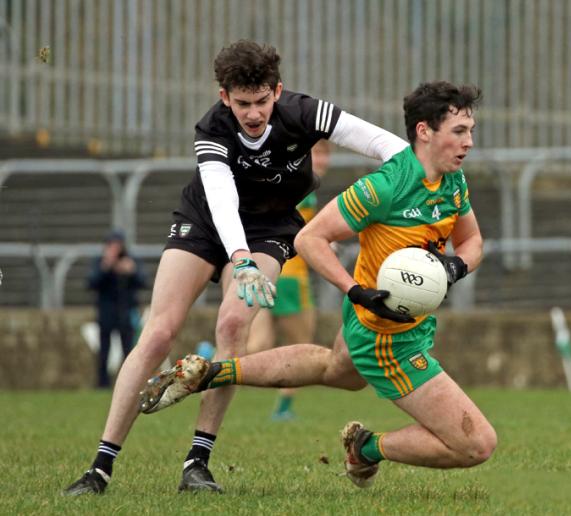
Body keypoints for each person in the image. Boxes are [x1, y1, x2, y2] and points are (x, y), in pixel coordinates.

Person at [64, 40, 408, 495]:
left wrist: (414, 180)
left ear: (277, 91)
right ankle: (100, 468)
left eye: (262, 101)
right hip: (206, 221)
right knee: (160, 331)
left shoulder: (305, 113)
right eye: (242, 102)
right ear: (224, 95)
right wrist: (238, 258)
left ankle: (197, 463)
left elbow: (387, 145)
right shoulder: (212, 127)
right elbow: (222, 196)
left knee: (232, 324)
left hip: (269, 228)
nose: (253, 113)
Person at [139, 81, 496, 488]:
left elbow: (473, 241)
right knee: (477, 444)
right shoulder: (386, 186)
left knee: (337, 370)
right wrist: (354, 290)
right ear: (424, 131)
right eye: (459, 131)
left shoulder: (453, 182)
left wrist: (453, 268)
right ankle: (367, 447)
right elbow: (309, 238)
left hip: (395, 324)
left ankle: (211, 372)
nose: (468, 142)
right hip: (385, 337)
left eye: (470, 131)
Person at [246, 139, 333, 421]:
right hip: (292, 279)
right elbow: (303, 229)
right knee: (302, 346)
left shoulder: (287, 180)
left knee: (257, 345)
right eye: (316, 154)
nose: (321, 161)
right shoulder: (305, 185)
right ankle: (284, 408)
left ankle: (209, 354)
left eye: (325, 155)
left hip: (267, 270)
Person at [87, 230, 146, 388]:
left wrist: (131, 271)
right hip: (106, 313)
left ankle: (129, 383)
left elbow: (143, 281)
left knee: (129, 350)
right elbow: (91, 282)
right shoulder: (100, 262)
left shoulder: (130, 261)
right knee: (104, 351)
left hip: (125, 312)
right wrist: (106, 267)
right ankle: (102, 384)